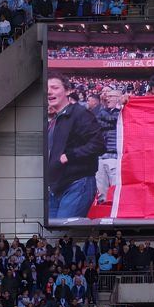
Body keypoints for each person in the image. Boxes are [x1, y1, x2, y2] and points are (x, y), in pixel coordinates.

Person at [44, 76, 103, 220]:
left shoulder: (80, 114)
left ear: (68, 91)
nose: (49, 91)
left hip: (76, 184)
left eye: (55, 88)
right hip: (55, 186)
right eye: (46, 88)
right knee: (52, 231)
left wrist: (70, 155)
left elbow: (98, 144)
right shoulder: (54, 119)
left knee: (64, 228)